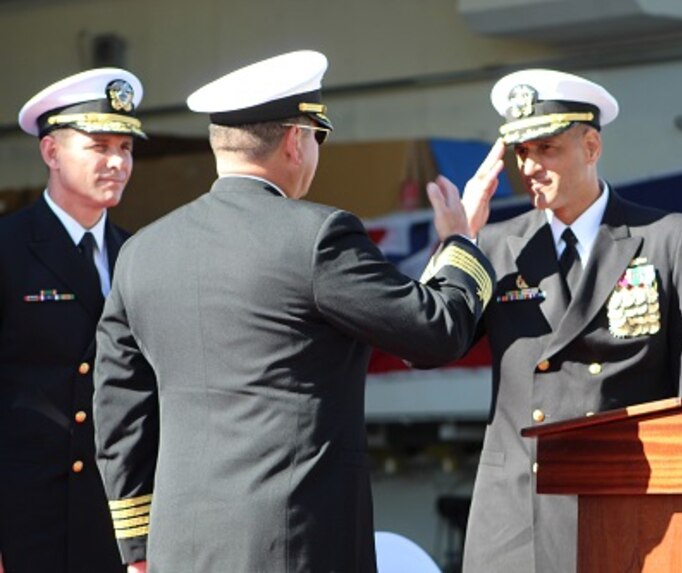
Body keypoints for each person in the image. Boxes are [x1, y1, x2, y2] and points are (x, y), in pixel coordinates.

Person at [92, 50, 496, 573]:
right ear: (295, 140)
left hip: (179, 546)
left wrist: (139, 547)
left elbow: (120, 410)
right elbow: (437, 332)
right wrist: (461, 242)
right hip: (293, 543)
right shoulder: (319, 238)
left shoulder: (140, 252)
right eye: (316, 136)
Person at [429, 69, 682, 572]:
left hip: (625, 505)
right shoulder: (498, 244)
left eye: (547, 148)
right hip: (515, 516)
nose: (530, 166)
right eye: (522, 152)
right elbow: (431, 342)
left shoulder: (669, 239)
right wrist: (458, 240)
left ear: (591, 147)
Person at [0, 68, 146, 573]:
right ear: (51, 152)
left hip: (113, 518)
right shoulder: (8, 248)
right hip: (27, 517)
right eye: (99, 146)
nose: (117, 163)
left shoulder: (137, 254)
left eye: (126, 148)